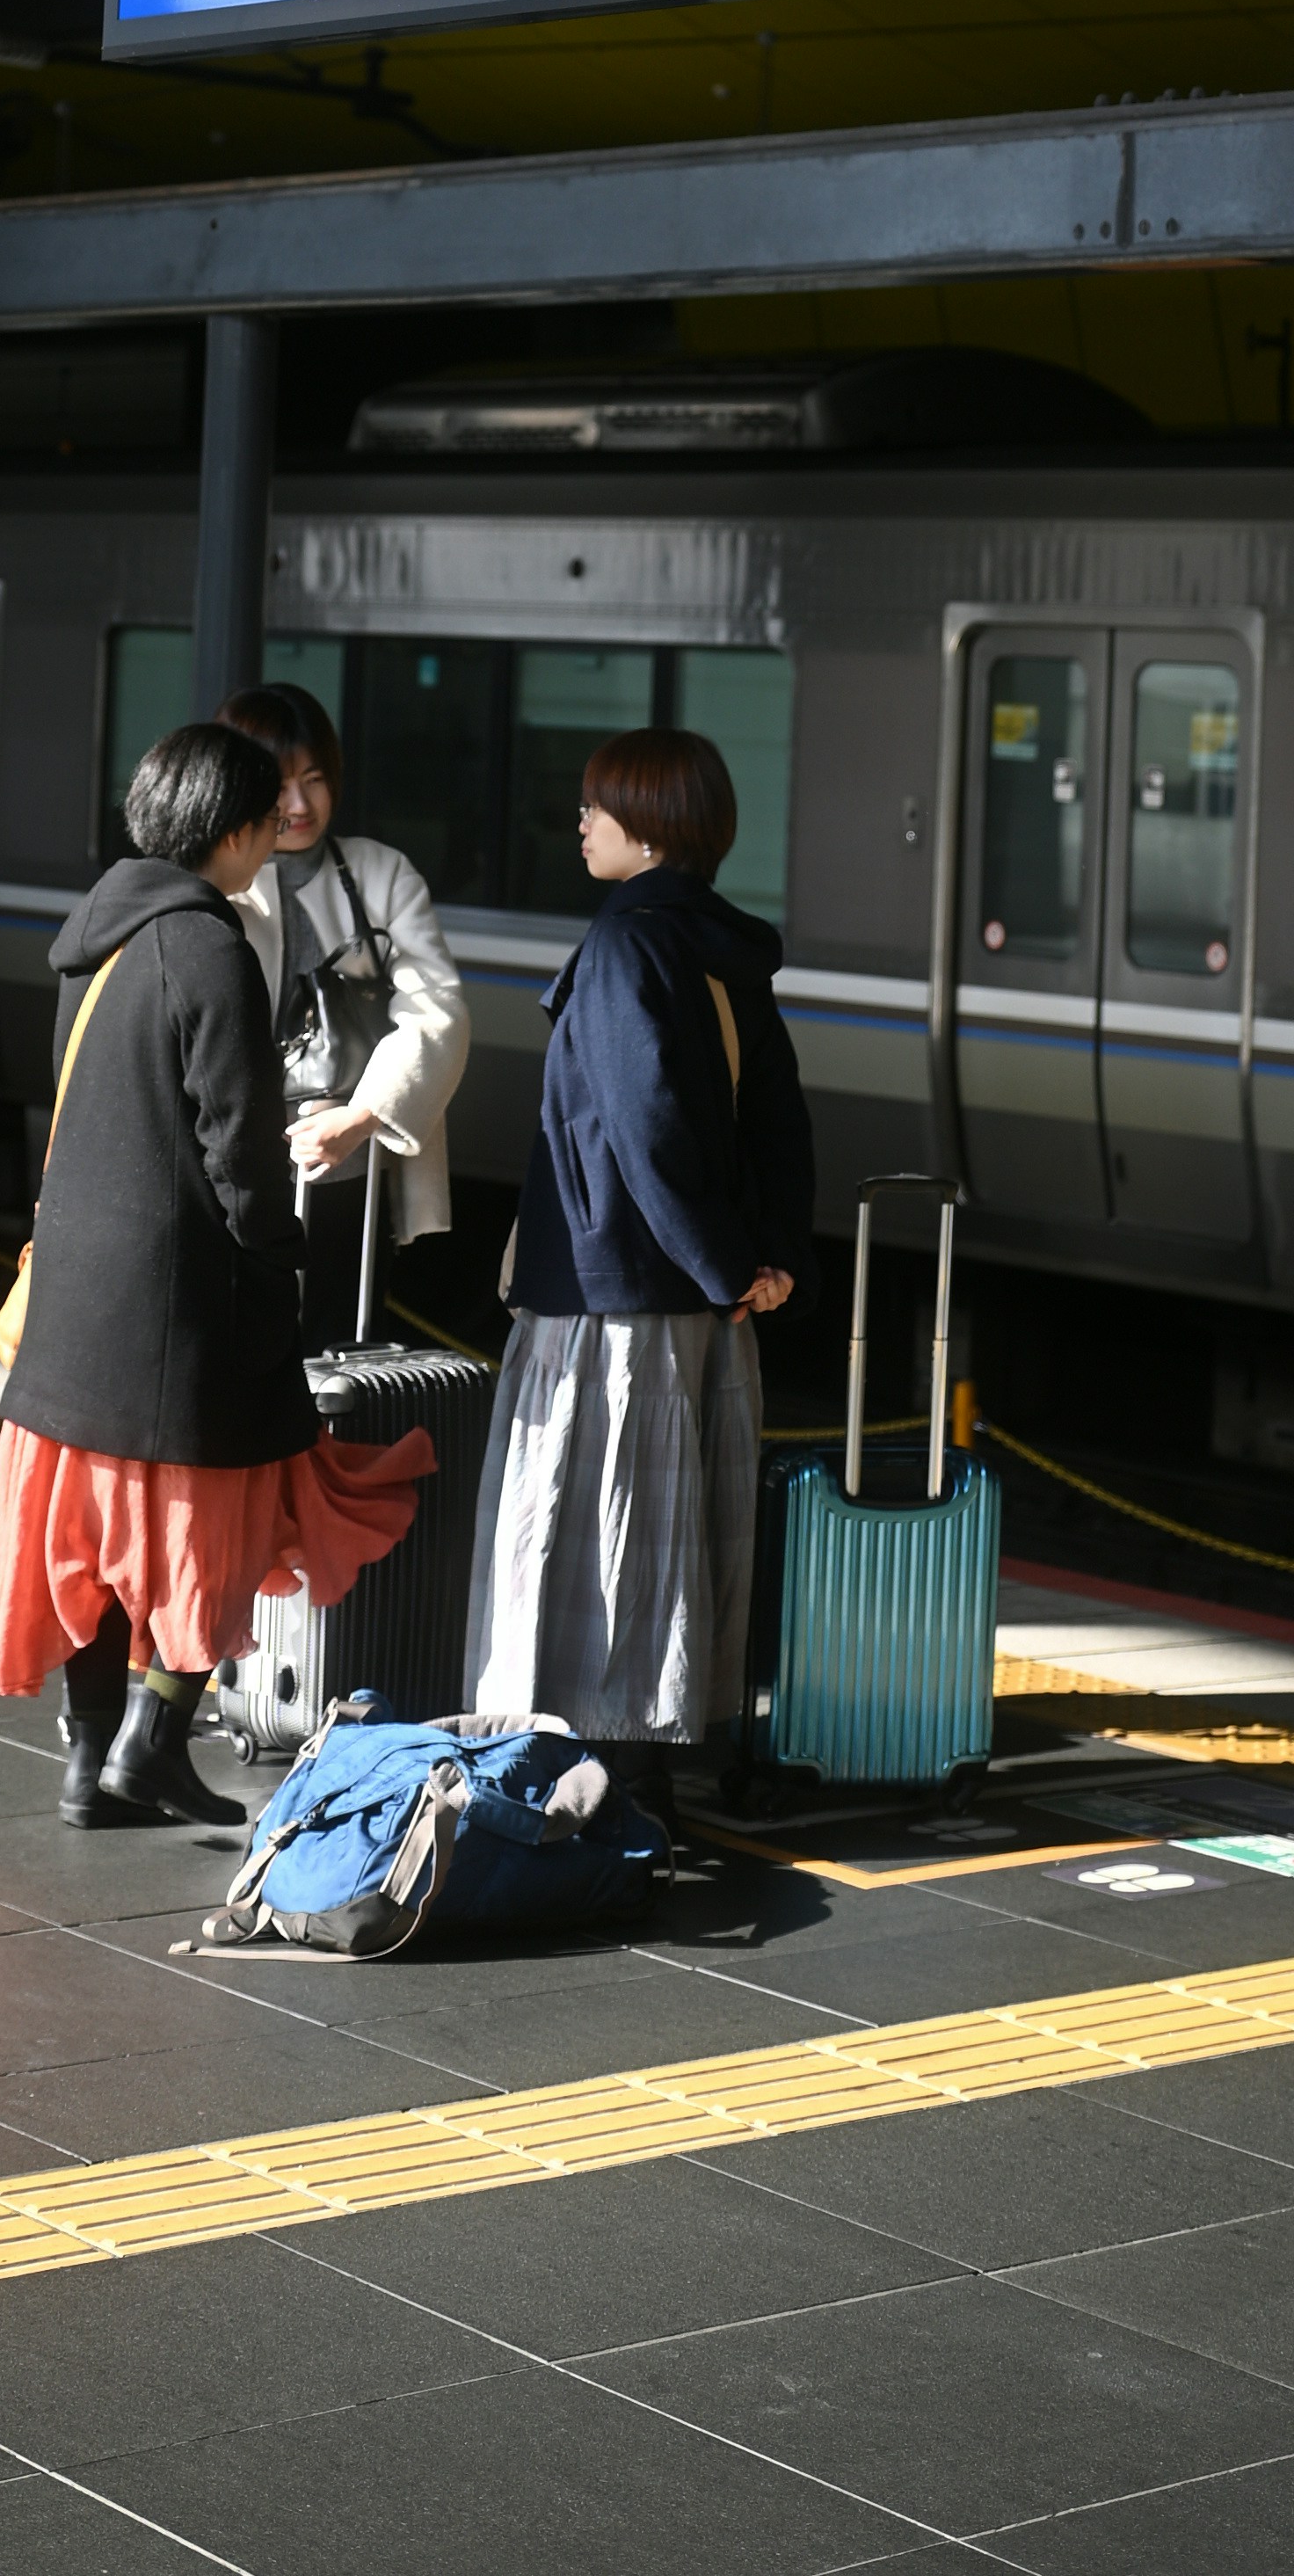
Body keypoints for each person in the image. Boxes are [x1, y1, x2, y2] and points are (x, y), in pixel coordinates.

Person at [0, 719, 432, 1826]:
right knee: (208, 1538)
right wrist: (277, 1261)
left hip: (79, 1302)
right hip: (180, 1307)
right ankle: (150, 1746)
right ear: (233, 828)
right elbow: (238, 1146)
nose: (275, 842)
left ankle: (89, 1767)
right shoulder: (208, 945)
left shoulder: (99, 934)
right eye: (267, 822)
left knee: (90, 1548)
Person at [462, 723, 816, 1809]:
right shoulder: (726, 949)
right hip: (706, 1306)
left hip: (614, 1302)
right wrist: (762, 1267)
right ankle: (653, 1762)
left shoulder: (622, 947)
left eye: (597, 807)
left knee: (590, 1533)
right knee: (676, 1541)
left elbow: (642, 1128)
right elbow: (779, 1125)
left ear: (650, 829)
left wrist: (714, 1264)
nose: (580, 824)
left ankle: (597, 1771)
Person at [220, 677, 471, 1343]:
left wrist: (361, 1119)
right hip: (232, 1170)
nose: (300, 804)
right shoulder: (212, 884)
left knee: (338, 1358)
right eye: (278, 782)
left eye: (315, 778)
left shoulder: (381, 875)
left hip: (351, 1172)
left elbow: (436, 1009)